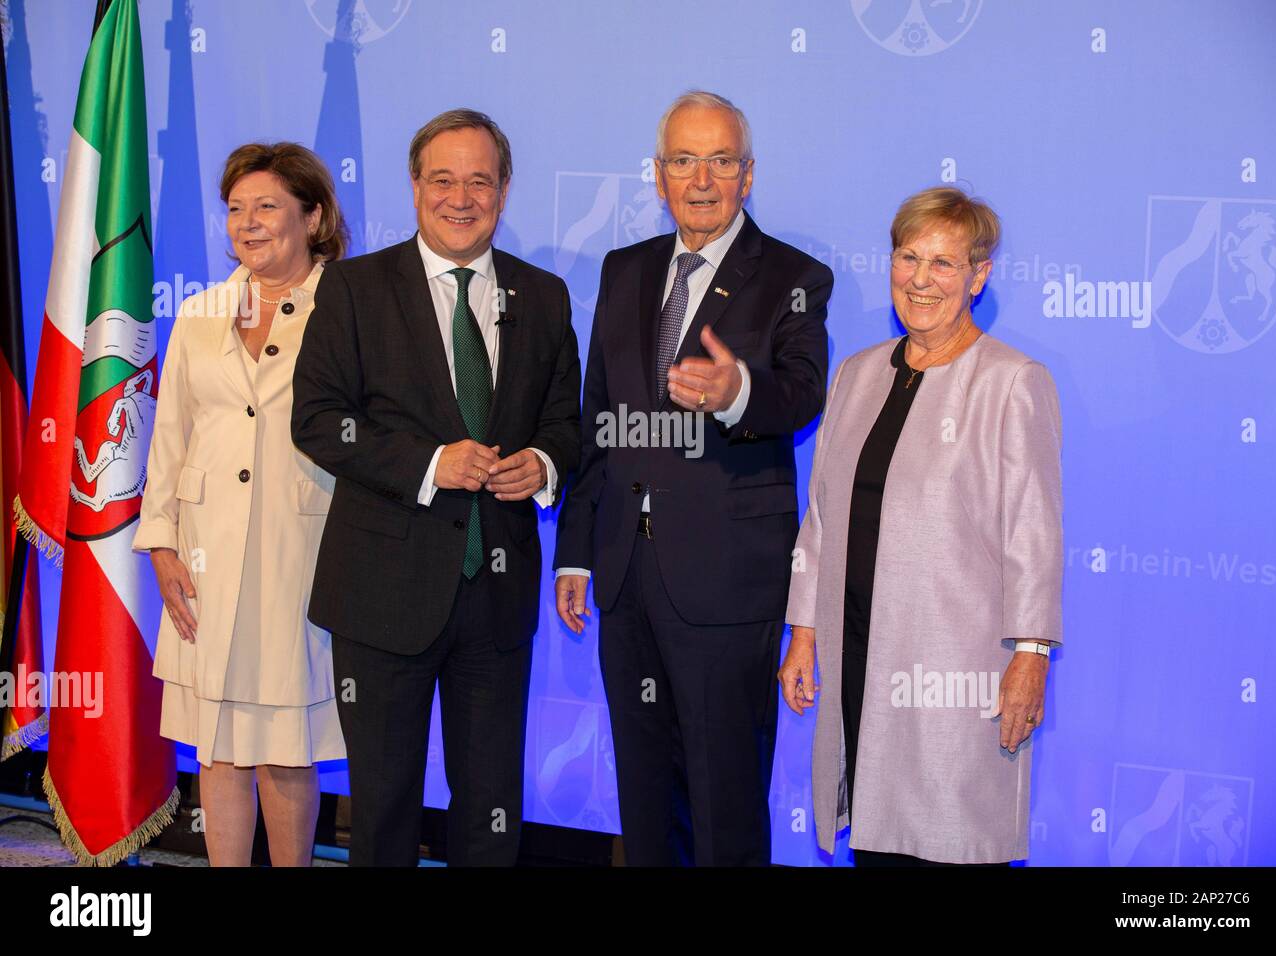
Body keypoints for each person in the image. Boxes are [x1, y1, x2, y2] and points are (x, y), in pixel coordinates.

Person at [291, 109, 581, 866]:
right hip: (381, 594)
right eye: (443, 179)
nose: (462, 197)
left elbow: (565, 425)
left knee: (490, 807)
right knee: (382, 805)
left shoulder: (545, 296)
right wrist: (429, 465)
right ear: (416, 187)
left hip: (497, 595)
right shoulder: (353, 288)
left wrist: (543, 466)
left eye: (479, 180)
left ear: (505, 190)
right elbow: (321, 422)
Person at [555, 90, 832, 866]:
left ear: (749, 175)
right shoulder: (625, 269)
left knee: (724, 796)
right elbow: (598, 417)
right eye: (684, 160)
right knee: (644, 794)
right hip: (626, 574)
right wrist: (576, 548)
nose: (701, 178)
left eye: (720, 161)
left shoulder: (793, 275)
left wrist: (736, 390)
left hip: (726, 581)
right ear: (658, 173)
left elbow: (801, 391)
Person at [778, 186, 1063, 866]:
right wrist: (804, 632)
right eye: (908, 258)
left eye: (943, 263)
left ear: (978, 275)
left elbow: (1035, 531)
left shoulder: (1012, 381)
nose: (921, 279)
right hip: (858, 652)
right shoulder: (855, 374)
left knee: (949, 836)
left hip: (957, 665)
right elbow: (821, 517)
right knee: (876, 834)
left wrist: (1032, 657)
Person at [134, 142, 349, 866]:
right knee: (219, 749)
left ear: (313, 216)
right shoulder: (200, 313)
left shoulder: (347, 312)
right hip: (205, 561)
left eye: (267, 207)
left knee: (285, 749)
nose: (247, 223)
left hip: (300, 557)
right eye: (235, 209)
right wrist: (160, 543)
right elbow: (170, 438)